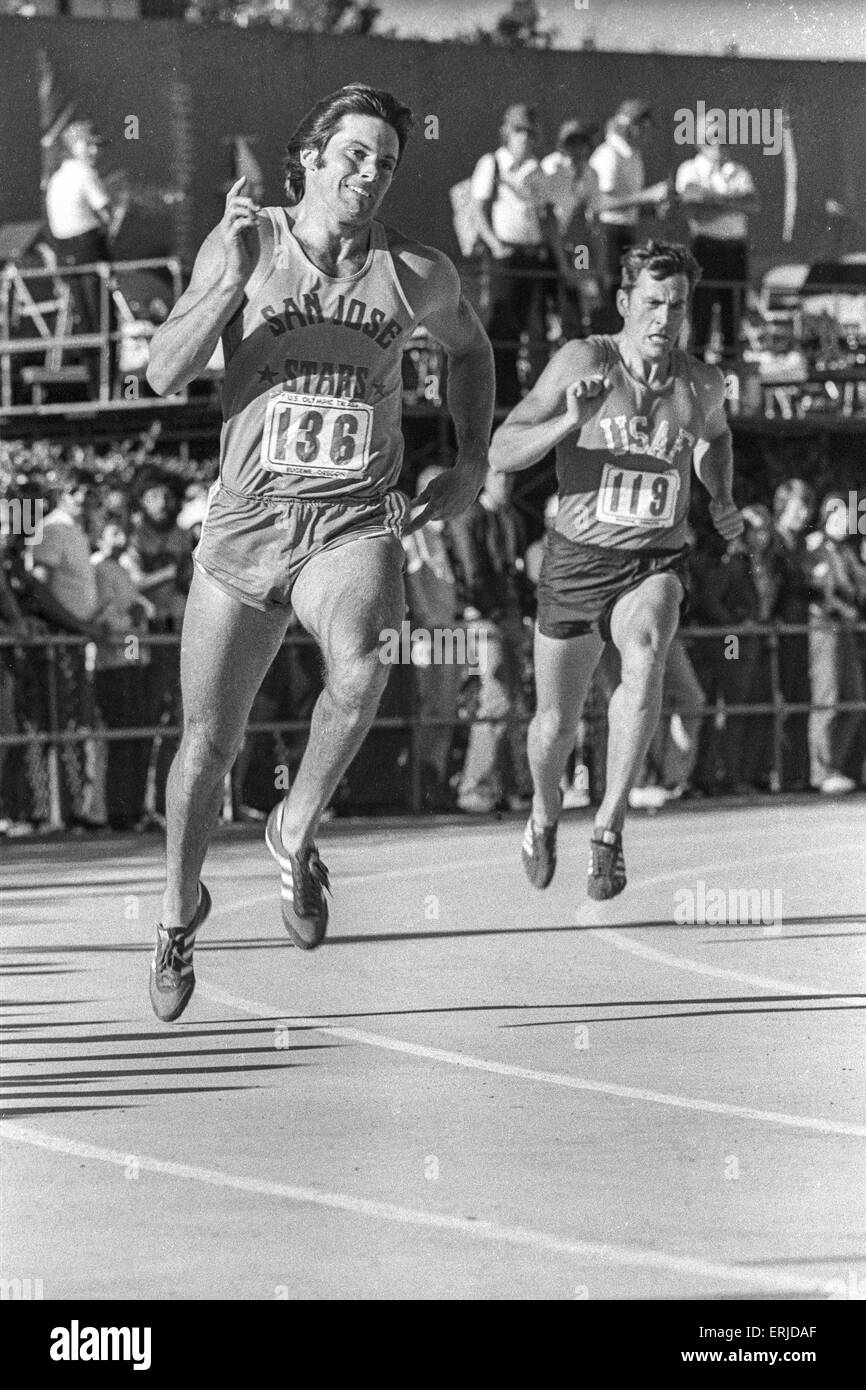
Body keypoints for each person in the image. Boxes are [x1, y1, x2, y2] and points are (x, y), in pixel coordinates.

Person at [145, 83, 494, 1022]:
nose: (370, 175)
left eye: (385, 162)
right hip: (245, 526)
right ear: (308, 157)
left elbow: (471, 351)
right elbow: (160, 369)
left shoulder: (418, 273)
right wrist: (223, 284)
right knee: (207, 749)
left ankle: (294, 827)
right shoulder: (249, 244)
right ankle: (180, 911)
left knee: (367, 661)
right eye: (353, 155)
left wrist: (470, 459)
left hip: (350, 519)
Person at [489, 240, 743, 900]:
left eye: (678, 304)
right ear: (627, 303)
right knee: (555, 727)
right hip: (576, 563)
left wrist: (720, 496)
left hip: (653, 560)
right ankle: (545, 814)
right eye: (653, 302)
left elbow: (716, 438)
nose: (665, 316)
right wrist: (568, 422)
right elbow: (504, 447)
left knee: (650, 646)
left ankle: (608, 826)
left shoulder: (701, 381)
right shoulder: (585, 359)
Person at [449, 468, 533, 814]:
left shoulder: (511, 518)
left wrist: (526, 611)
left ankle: (512, 786)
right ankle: (474, 787)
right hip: (485, 617)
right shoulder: (470, 517)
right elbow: (473, 571)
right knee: (496, 700)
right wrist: (493, 608)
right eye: (501, 477)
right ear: (485, 478)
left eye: (512, 479)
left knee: (515, 703)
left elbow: (518, 570)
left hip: (509, 614)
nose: (507, 484)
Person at [469, 104, 560, 406]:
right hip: (505, 256)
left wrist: (554, 252)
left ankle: (530, 396)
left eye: (530, 133)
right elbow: (478, 212)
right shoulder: (491, 163)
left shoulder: (539, 170)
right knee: (502, 324)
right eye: (520, 131)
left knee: (534, 327)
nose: (525, 138)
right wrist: (496, 245)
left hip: (533, 256)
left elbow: (548, 218)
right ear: (507, 132)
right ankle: (500, 394)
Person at [401, 464, 462, 811]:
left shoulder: (441, 531)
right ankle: (421, 782)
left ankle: (436, 779)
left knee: (447, 709)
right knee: (426, 708)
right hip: (427, 632)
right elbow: (413, 581)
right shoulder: (413, 527)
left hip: (449, 629)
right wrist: (424, 624)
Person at [45, 120, 119, 396]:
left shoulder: (56, 178)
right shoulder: (83, 172)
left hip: (67, 257)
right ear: (76, 147)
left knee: (87, 324)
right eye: (90, 145)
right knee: (103, 323)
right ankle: (106, 391)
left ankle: (94, 388)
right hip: (89, 251)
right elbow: (105, 210)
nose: (95, 152)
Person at [589, 101, 670, 329]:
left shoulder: (632, 155)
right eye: (644, 127)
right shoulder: (608, 154)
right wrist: (648, 196)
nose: (648, 134)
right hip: (605, 237)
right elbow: (601, 203)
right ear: (632, 127)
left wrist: (651, 209)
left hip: (624, 234)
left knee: (622, 299)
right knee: (607, 300)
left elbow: (625, 202)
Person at [675, 137, 758, 359]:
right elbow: (695, 210)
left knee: (733, 321)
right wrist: (733, 202)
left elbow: (752, 203)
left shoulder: (738, 170)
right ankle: (693, 380)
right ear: (698, 142)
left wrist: (711, 199)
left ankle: (731, 384)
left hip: (735, 250)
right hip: (706, 249)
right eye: (711, 139)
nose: (719, 144)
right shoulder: (689, 169)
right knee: (700, 319)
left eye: (723, 138)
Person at [806, 495, 866, 794]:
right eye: (838, 518)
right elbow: (819, 590)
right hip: (824, 628)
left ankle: (837, 766)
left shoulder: (847, 551)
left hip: (846, 631)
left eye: (848, 518)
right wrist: (847, 610)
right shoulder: (815, 547)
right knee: (827, 699)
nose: (844, 524)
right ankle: (822, 771)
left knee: (854, 700)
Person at [539, 120, 602, 341]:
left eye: (583, 142)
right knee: (547, 313)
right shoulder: (550, 169)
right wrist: (564, 265)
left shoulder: (590, 174)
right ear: (561, 145)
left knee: (577, 309)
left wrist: (583, 267)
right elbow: (548, 221)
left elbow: (590, 221)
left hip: (574, 250)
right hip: (546, 251)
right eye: (572, 143)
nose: (579, 149)